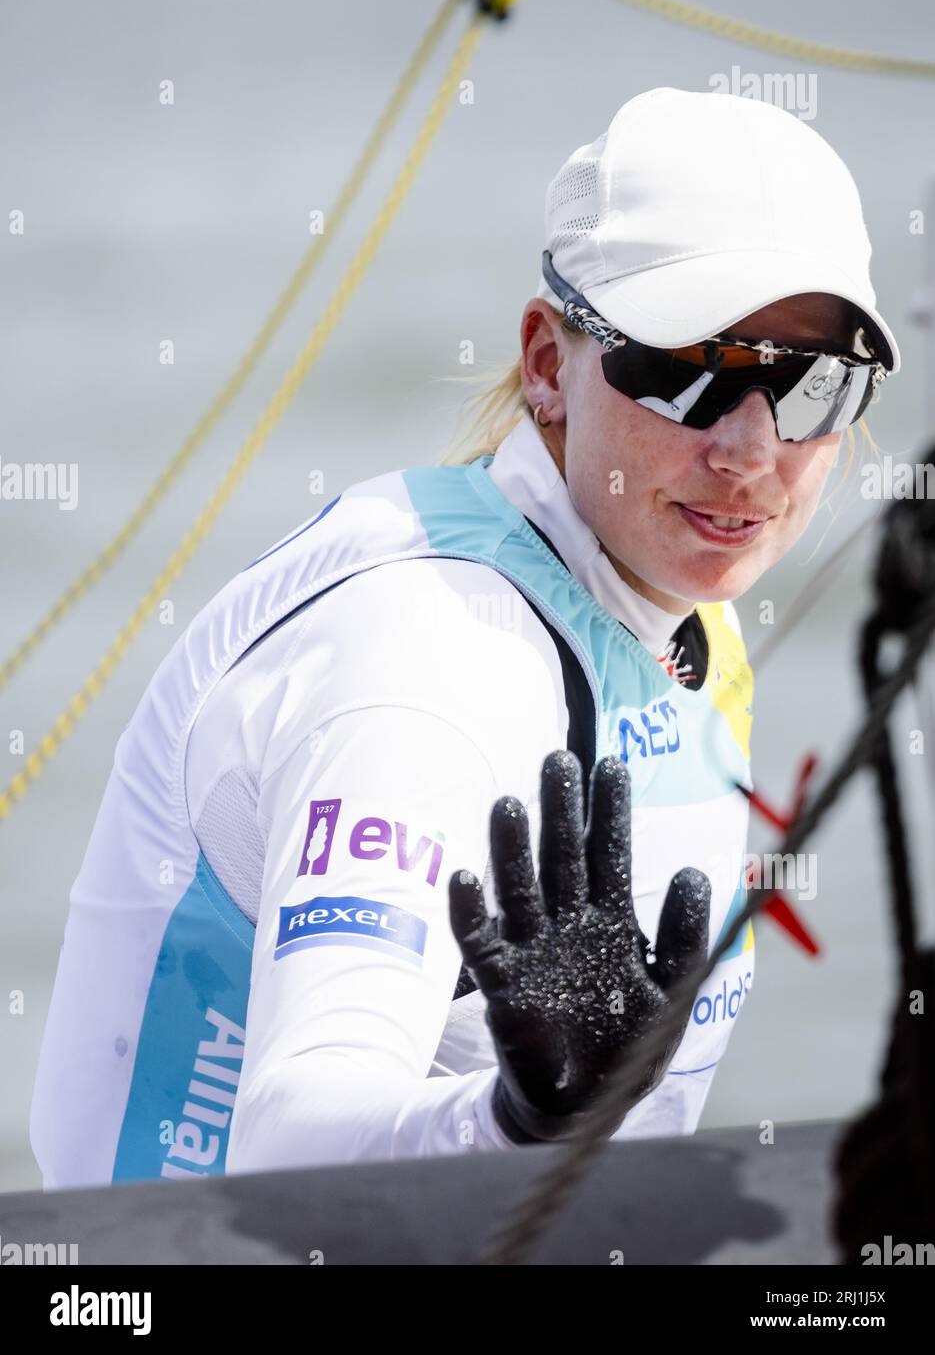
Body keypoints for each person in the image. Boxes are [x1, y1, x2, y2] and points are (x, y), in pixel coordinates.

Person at [29, 86, 900, 1187]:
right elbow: (292, 1142)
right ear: (545, 362)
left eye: (813, 385)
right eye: (691, 371)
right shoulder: (425, 656)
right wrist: (520, 1118)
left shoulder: (677, 598)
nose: (750, 452)